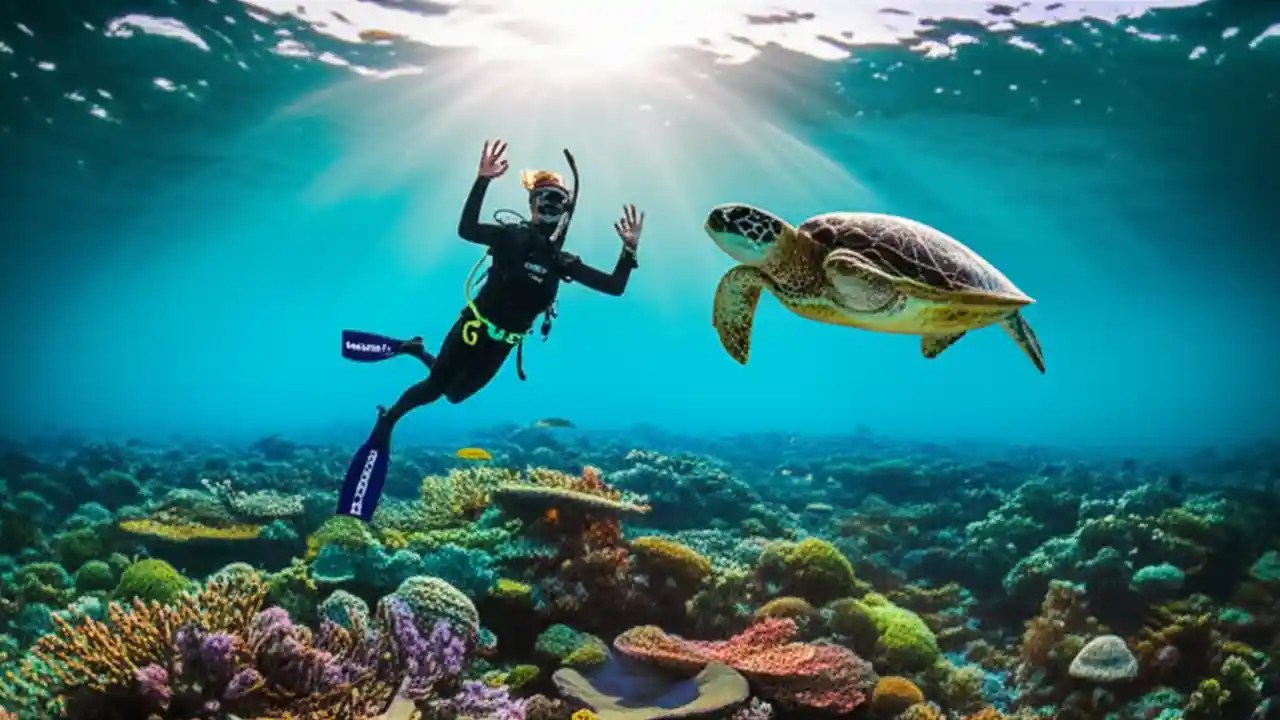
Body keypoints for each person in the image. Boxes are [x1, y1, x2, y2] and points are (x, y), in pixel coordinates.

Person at [336, 138, 645, 521]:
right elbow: (466, 228)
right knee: (434, 388)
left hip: (501, 347)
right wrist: (482, 180)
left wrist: (628, 251)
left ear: (565, 211)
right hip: (471, 330)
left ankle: (416, 349)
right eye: (543, 199)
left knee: (455, 395)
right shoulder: (510, 236)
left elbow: (614, 287)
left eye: (558, 202)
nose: (549, 207)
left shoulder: (562, 261)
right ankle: (389, 420)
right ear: (531, 204)